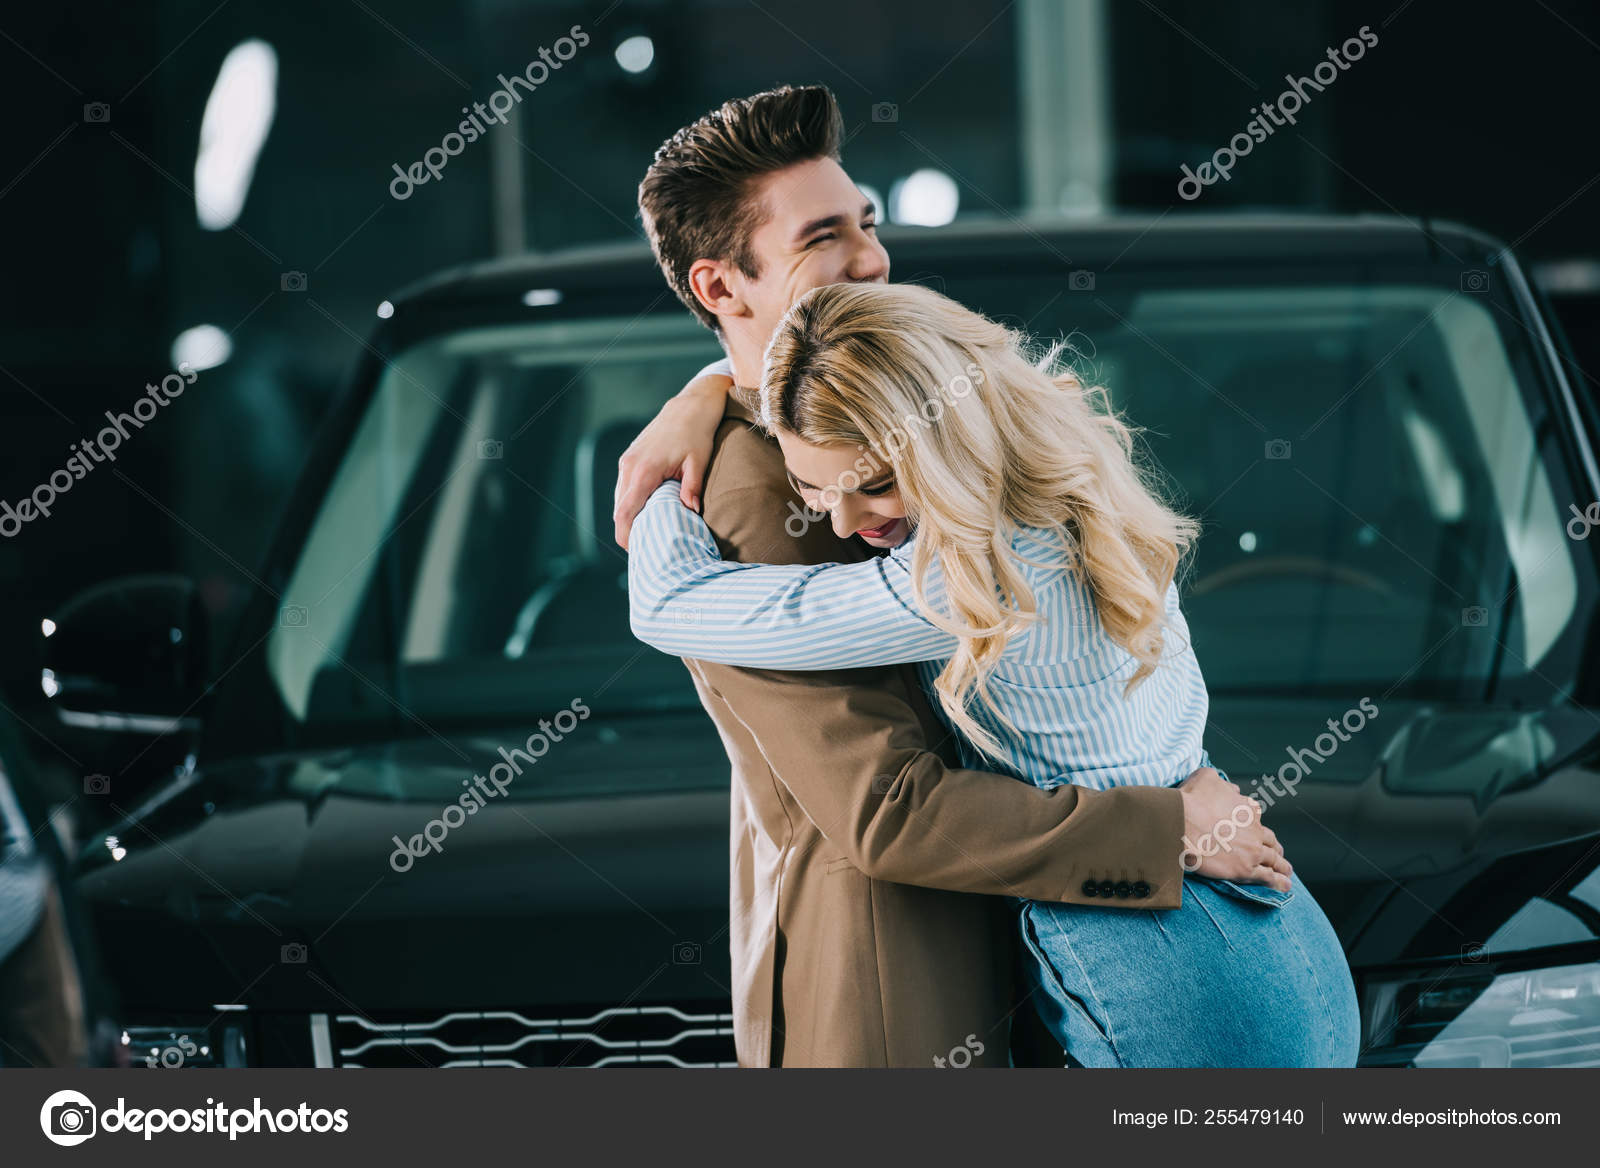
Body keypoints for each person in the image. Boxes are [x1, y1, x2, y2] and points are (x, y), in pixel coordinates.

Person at [617, 84, 1292, 1067]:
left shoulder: (912, 411)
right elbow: (889, 807)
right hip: (911, 989)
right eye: (822, 238)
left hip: (1031, 953)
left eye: (866, 222)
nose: (870, 257)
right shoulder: (762, 489)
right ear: (722, 288)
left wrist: (711, 383)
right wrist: (1165, 826)